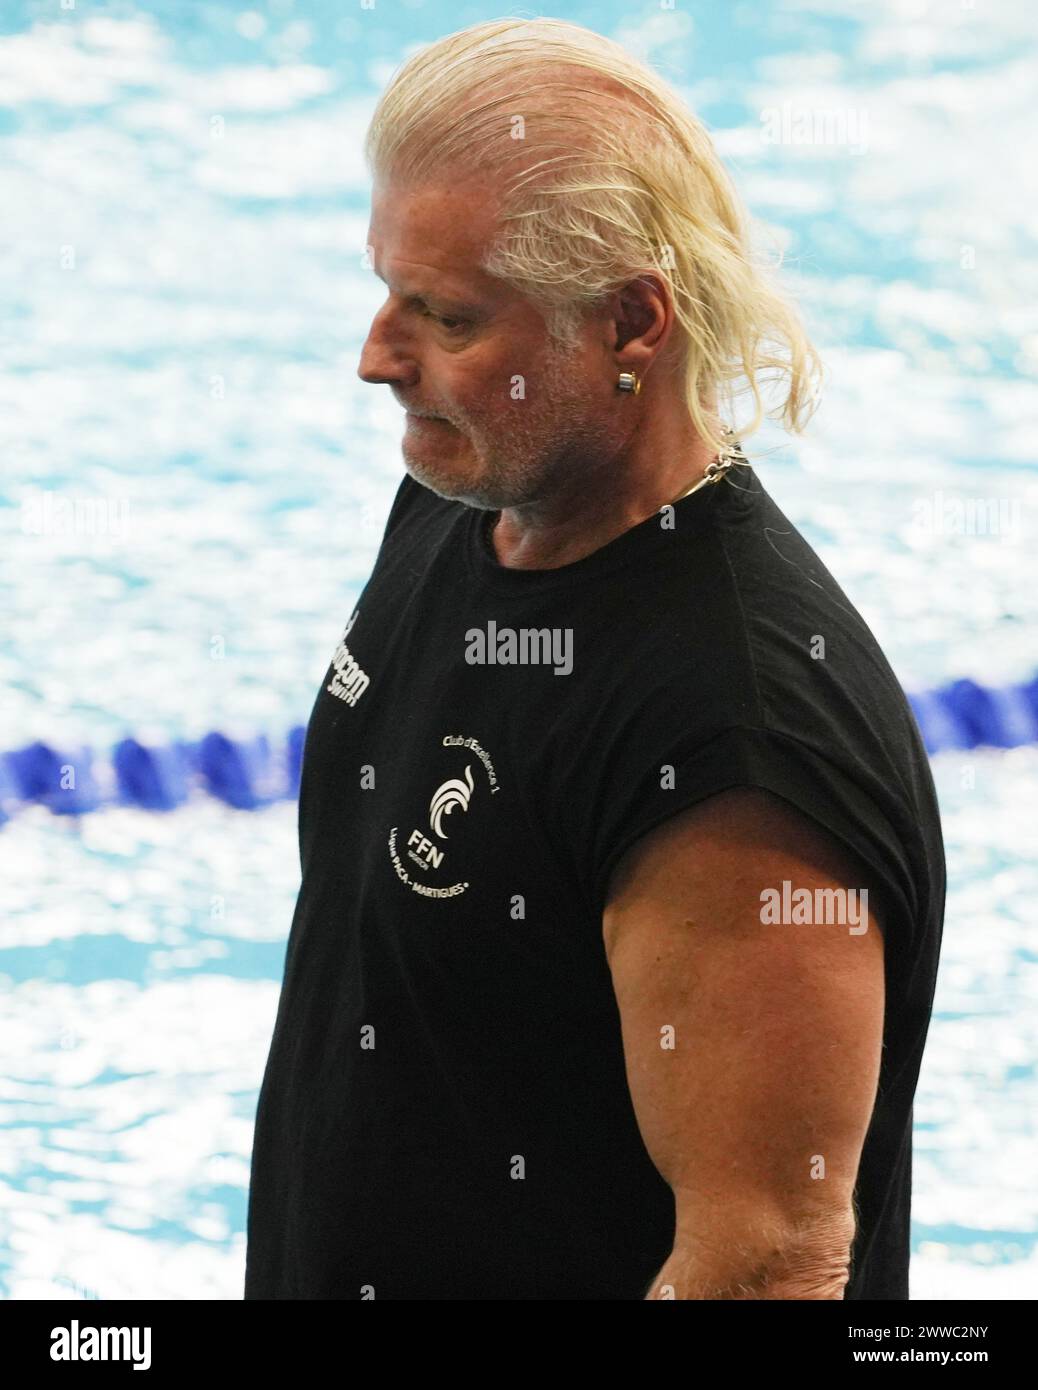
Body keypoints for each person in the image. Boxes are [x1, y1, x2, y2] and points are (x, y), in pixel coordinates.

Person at [244, 17, 945, 1300]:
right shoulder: (469, 500)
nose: (376, 357)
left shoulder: (735, 742)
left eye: (446, 316)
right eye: (388, 287)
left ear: (630, 323)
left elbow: (768, 1262)